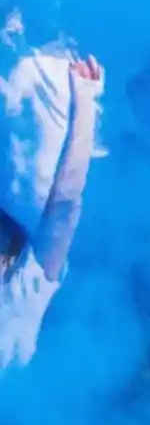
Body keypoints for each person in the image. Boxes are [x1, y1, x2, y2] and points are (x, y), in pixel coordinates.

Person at [0, 50, 103, 370]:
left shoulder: (19, 297)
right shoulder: (20, 293)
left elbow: (63, 203)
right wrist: (84, 102)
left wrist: (84, 102)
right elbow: (63, 205)